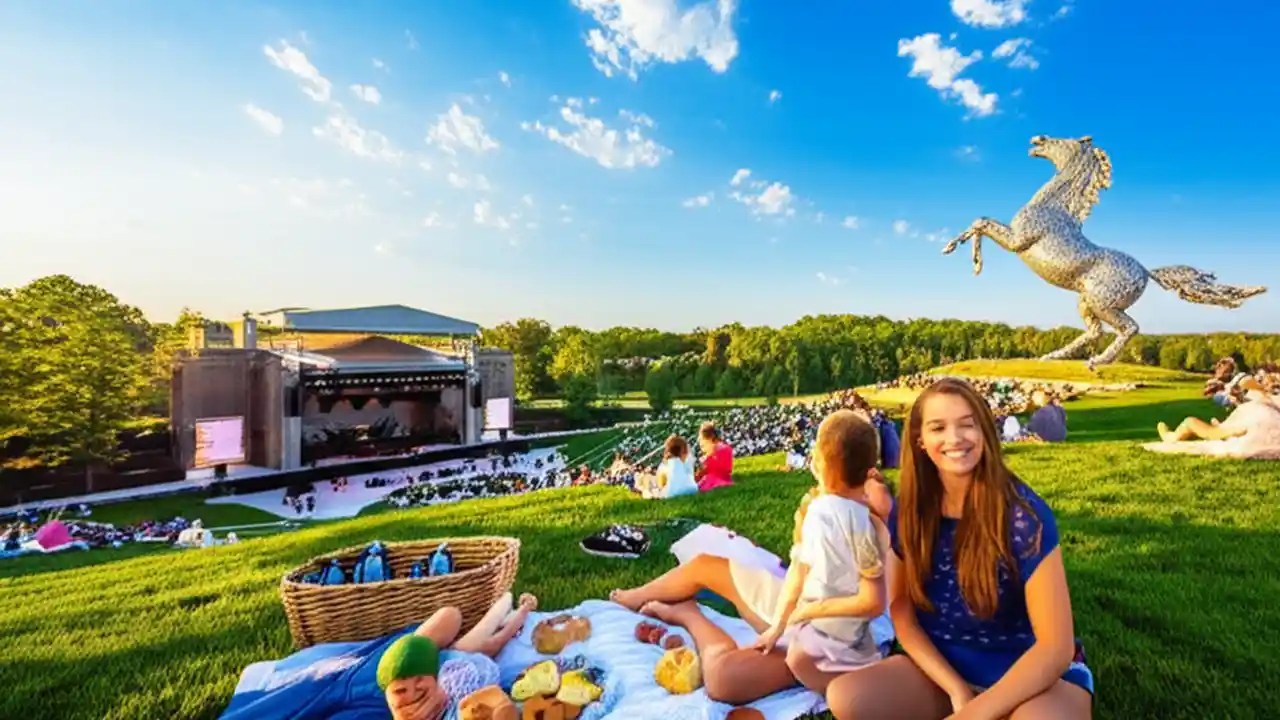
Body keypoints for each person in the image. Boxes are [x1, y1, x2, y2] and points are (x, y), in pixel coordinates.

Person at [826, 378, 1092, 720]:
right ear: (921, 440)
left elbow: (1055, 649)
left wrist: (974, 714)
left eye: (967, 425)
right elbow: (902, 610)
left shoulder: (1025, 518)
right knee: (847, 697)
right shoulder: (909, 511)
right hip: (944, 668)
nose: (954, 439)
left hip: (1031, 676)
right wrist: (956, 690)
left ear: (984, 431)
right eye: (938, 427)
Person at [609, 410, 891, 703]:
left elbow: (869, 597)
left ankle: (686, 613)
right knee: (705, 566)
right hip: (812, 617)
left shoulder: (866, 517)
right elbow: (806, 566)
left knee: (723, 679)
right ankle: (645, 598)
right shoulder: (833, 509)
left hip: (837, 635)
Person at [220, 593, 538, 720]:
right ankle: (506, 598)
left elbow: (494, 639)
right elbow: (456, 619)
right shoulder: (430, 652)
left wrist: (523, 609)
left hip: (383, 682)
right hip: (371, 674)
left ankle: (507, 598)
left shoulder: (459, 659)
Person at [1158, 376, 1280, 448]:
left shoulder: (1265, 396)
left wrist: (1263, 388)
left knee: (1190, 422)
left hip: (1247, 428)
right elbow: (1244, 382)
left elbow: (1244, 382)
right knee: (1212, 428)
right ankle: (1218, 426)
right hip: (1247, 425)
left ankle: (1170, 437)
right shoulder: (1263, 395)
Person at [637, 435, 699, 499]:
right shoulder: (688, 462)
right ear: (685, 453)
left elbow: (660, 484)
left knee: (646, 478)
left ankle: (646, 493)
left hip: (673, 494)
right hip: (693, 490)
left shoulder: (666, 464)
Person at [694, 422, 735, 492]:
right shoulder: (726, 447)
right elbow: (729, 469)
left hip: (712, 480)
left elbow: (704, 471)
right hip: (727, 479)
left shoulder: (711, 450)